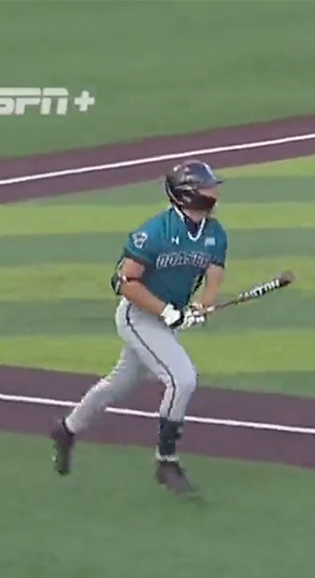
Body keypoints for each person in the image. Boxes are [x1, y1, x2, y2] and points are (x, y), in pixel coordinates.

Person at [49, 159, 229, 496]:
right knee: (182, 379)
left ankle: (66, 429)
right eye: (207, 187)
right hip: (138, 317)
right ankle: (166, 461)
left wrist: (200, 308)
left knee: (118, 385)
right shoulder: (155, 232)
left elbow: (213, 278)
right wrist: (166, 312)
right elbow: (125, 282)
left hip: (164, 322)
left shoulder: (214, 234)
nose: (214, 192)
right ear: (188, 194)